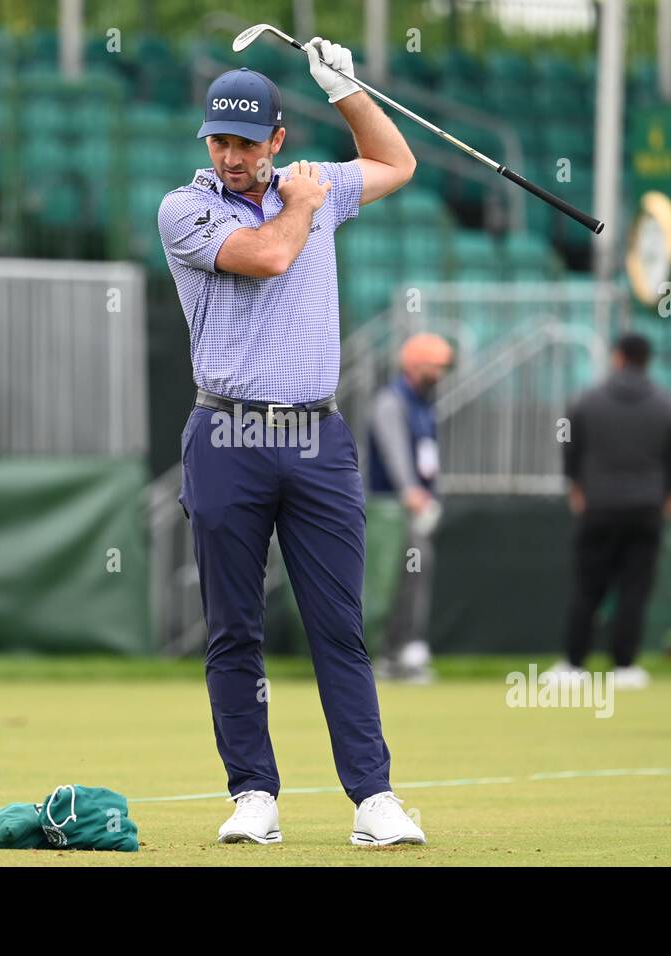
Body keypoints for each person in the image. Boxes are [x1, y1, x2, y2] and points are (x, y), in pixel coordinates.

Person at [156, 38, 424, 845]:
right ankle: (253, 795)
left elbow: (397, 161)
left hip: (317, 433)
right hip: (226, 430)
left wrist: (343, 90)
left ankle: (373, 799)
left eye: (245, 142)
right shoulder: (186, 208)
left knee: (337, 624)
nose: (230, 156)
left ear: (276, 140)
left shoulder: (319, 185)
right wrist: (303, 201)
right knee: (233, 626)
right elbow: (270, 257)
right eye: (219, 141)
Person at [551, 333, 671, 689]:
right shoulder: (668, 404)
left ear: (617, 358)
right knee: (634, 588)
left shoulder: (587, 400)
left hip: (597, 506)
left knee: (587, 587)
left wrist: (576, 485)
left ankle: (573, 665)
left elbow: (568, 443)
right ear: (647, 359)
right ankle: (624, 667)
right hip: (646, 509)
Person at [366, 332, 454, 683]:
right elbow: (394, 451)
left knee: (416, 570)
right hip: (389, 510)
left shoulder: (424, 403)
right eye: (435, 365)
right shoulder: (392, 401)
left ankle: (402, 647)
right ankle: (394, 650)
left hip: (414, 507)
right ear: (415, 365)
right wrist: (411, 492)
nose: (441, 373)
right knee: (395, 577)